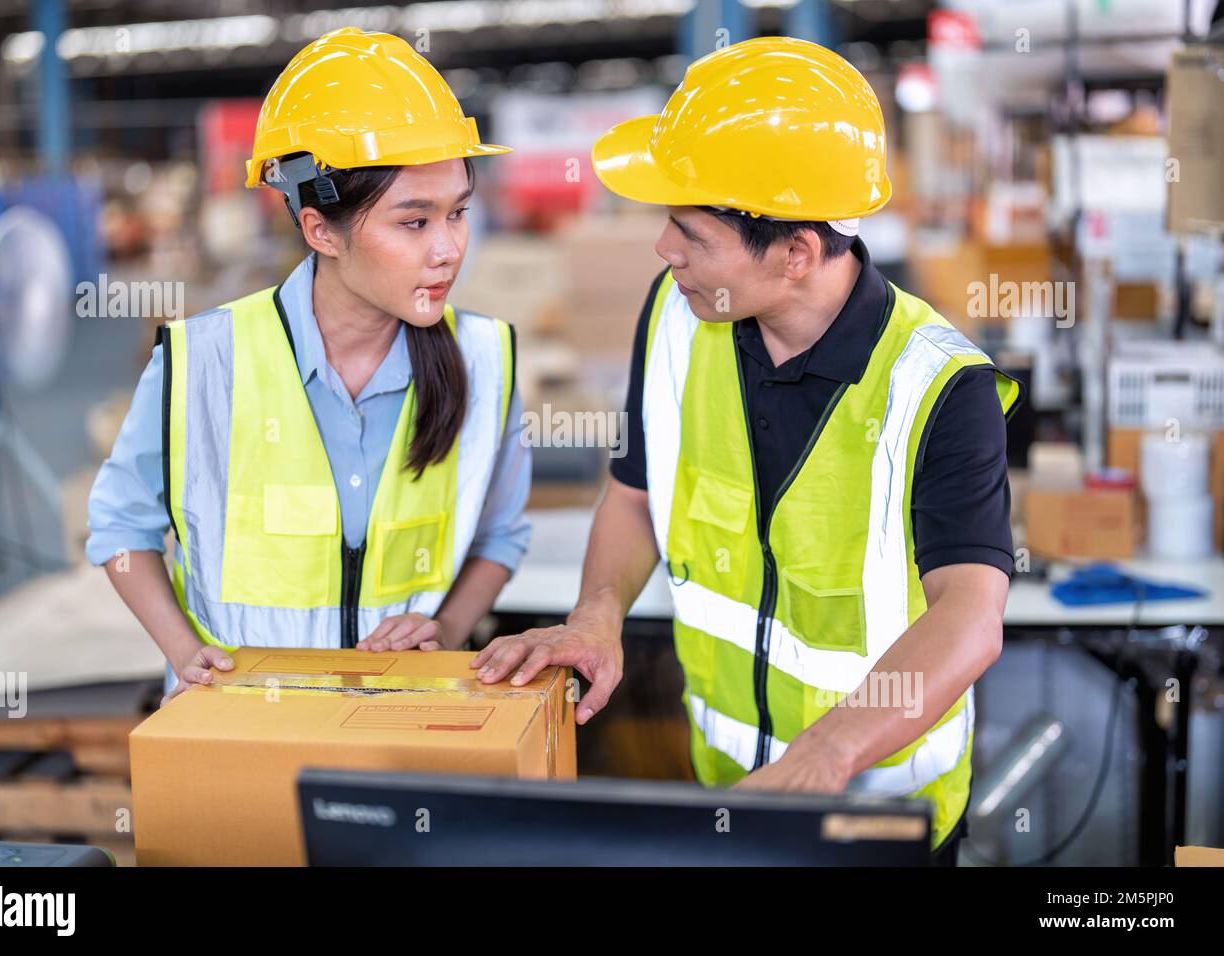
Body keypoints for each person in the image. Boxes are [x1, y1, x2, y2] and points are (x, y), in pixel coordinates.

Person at [472, 36, 1019, 864]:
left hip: (877, 817)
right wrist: (597, 615)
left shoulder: (940, 387)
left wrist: (828, 756)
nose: (664, 251)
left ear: (796, 251)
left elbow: (970, 617)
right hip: (728, 800)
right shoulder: (678, 320)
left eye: (689, 233)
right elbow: (633, 495)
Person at [86, 29, 530, 703]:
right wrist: (184, 653)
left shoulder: (485, 360)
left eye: (459, 213)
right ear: (321, 229)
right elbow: (120, 527)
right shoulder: (206, 359)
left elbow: (501, 534)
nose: (448, 250)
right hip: (243, 726)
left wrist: (446, 626)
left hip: (405, 726)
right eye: (414, 223)